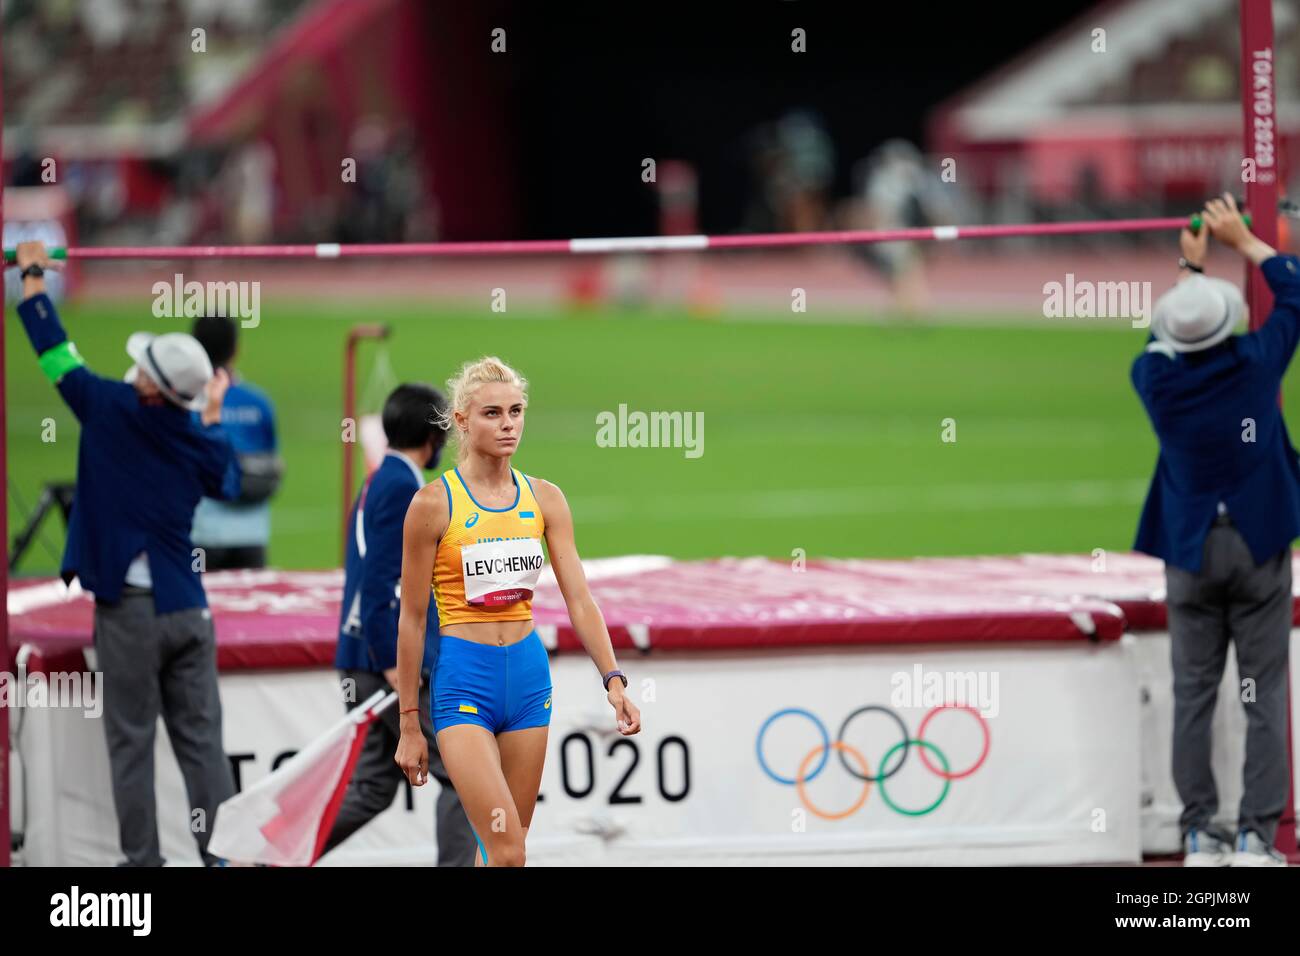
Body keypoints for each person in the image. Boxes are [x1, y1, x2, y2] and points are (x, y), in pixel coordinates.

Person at [13, 240, 239, 866]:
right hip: (188, 612)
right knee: (203, 748)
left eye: (141, 369)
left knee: (132, 746)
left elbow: (51, 346)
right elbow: (226, 479)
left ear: (149, 388)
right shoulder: (200, 440)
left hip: (130, 617)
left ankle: (142, 869)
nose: (133, 372)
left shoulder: (107, 407)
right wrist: (213, 418)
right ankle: (221, 858)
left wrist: (33, 275)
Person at [394, 357, 642, 866]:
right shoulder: (433, 506)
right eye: (492, 413)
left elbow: (580, 599)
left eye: (516, 411)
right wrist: (409, 723)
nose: (508, 424)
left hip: (528, 682)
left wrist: (613, 678)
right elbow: (412, 618)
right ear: (462, 420)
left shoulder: (544, 499)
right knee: (507, 850)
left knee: (505, 851)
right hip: (464, 682)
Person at [1132, 193, 1300, 867]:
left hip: (1191, 553)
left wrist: (1188, 266)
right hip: (1257, 545)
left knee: (1193, 696)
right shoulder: (1256, 366)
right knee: (1264, 695)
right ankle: (1259, 836)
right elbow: (1294, 291)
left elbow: (1163, 338)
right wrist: (1246, 244)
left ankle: (1201, 833)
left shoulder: (1155, 381)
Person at [323, 384, 475, 865]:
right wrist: (395, 664)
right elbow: (381, 583)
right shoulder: (404, 490)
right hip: (385, 662)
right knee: (465, 773)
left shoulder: (380, 480)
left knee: (372, 789)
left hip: (364, 658)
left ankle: (273, 855)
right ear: (431, 437)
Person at [190, 314, 282, 570]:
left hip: (201, 533)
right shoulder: (258, 402)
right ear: (236, 349)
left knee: (201, 607)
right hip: (252, 534)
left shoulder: (185, 401)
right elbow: (272, 463)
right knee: (248, 607)